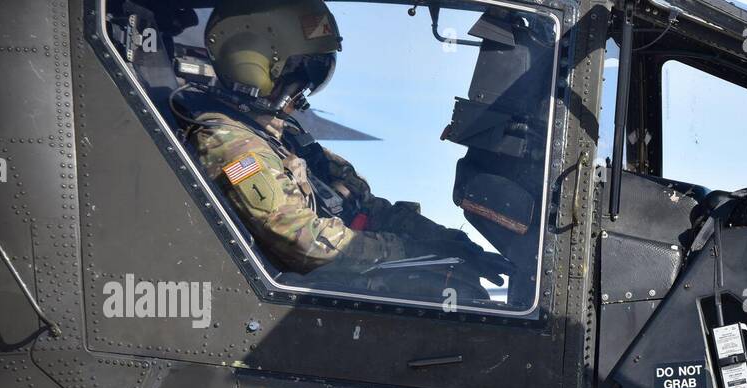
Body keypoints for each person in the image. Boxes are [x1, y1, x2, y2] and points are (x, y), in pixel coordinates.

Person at [170, 0, 509, 285]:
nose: (302, 90)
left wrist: (454, 243)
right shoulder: (232, 145)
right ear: (257, 64)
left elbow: (367, 208)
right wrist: (412, 252)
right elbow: (306, 242)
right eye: (301, 72)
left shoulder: (286, 138)